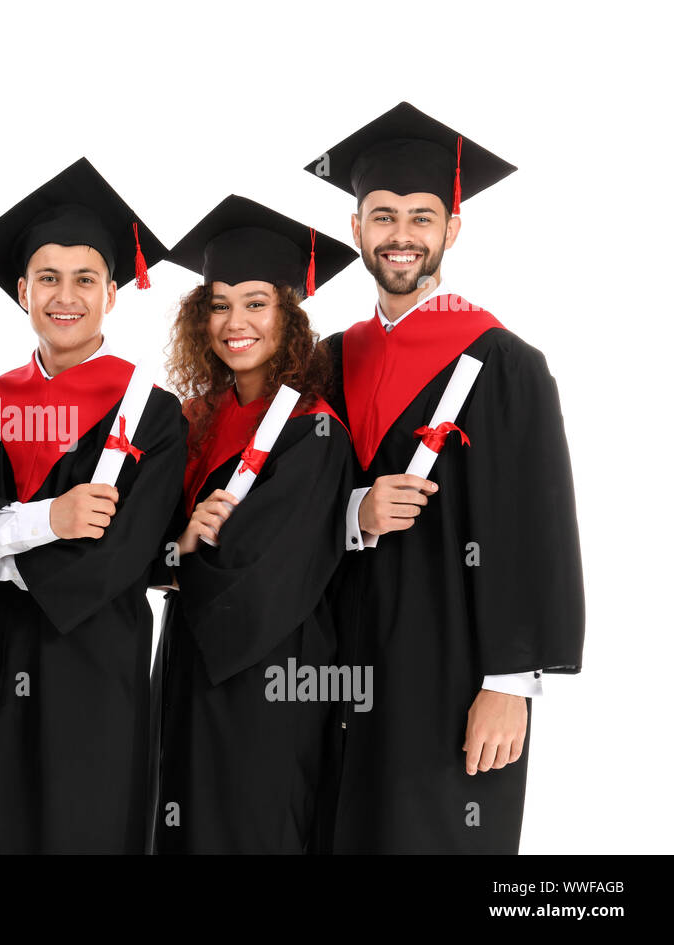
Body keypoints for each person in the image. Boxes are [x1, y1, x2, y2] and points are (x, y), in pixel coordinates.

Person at [304, 102, 585, 853]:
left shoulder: (504, 363)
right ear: (357, 228)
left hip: (455, 671)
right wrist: (356, 513)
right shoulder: (327, 361)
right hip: (336, 666)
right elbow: (292, 505)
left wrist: (510, 684)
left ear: (451, 231)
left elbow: (538, 528)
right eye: (384, 215)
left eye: (422, 217)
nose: (402, 234)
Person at [0, 158, 188, 854]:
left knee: (86, 825)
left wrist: (1, 548)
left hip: (95, 660)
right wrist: (51, 520)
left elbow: (122, 557)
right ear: (22, 289)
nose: (65, 295)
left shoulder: (153, 415)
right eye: (47, 277)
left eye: (86, 279)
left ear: (113, 290)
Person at [150, 196, 358, 854]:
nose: (235, 321)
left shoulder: (314, 430)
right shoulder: (190, 421)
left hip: (270, 675)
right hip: (185, 665)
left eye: (256, 301)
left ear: (288, 316)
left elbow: (262, 570)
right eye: (219, 303)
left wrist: (176, 557)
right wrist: (174, 549)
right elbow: (147, 542)